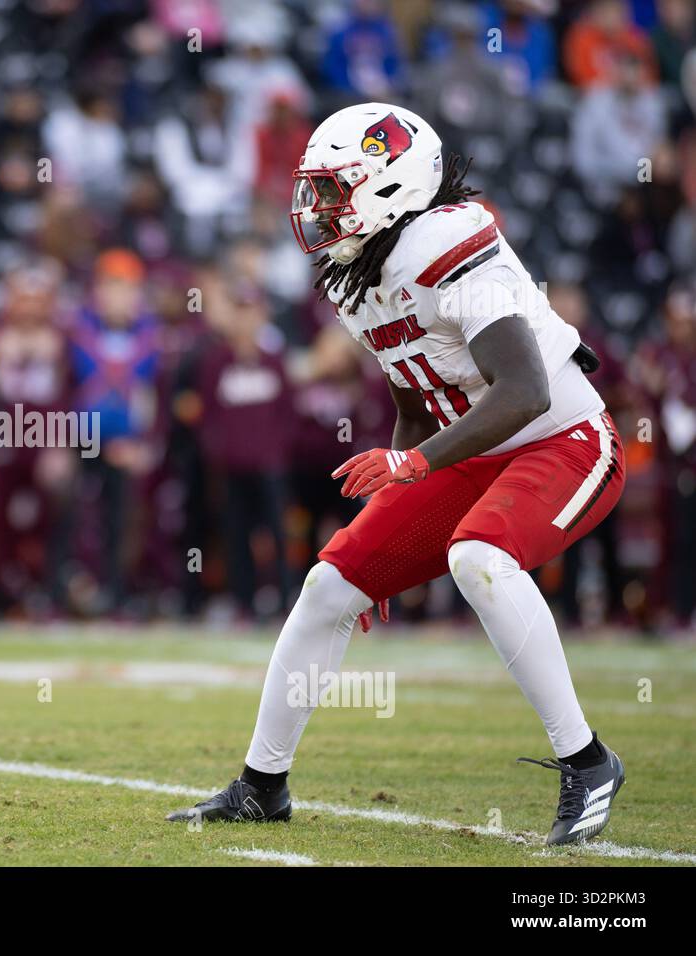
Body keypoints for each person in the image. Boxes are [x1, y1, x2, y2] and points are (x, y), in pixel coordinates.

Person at [168, 103, 627, 847]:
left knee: (477, 557)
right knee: (330, 585)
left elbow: (524, 390)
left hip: (564, 439)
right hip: (471, 452)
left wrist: (413, 463)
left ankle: (588, 759)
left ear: (391, 185)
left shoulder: (445, 240)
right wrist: (390, 518)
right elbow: (415, 399)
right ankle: (261, 786)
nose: (316, 208)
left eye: (334, 188)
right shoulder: (361, 274)